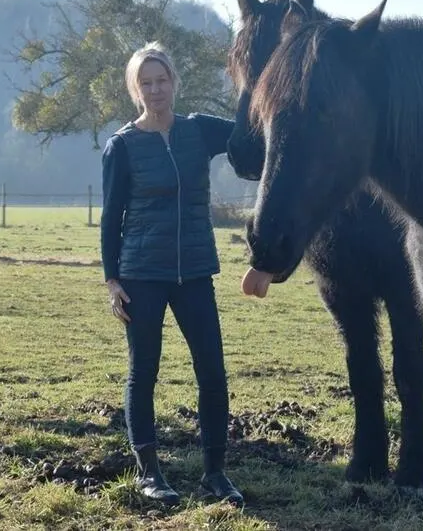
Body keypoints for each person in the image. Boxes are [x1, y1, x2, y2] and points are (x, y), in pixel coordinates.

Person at [100, 40, 242, 507]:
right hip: (141, 274)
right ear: (135, 89)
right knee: (144, 372)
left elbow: (251, 134)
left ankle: (215, 474)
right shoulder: (121, 145)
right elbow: (111, 216)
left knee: (213, 372)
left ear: (175, 83)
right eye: (146, 82)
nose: (155, 89)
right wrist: (112, 280)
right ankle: (149, 472)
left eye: (162, 80)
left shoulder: (199, 130)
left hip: (195, 271)